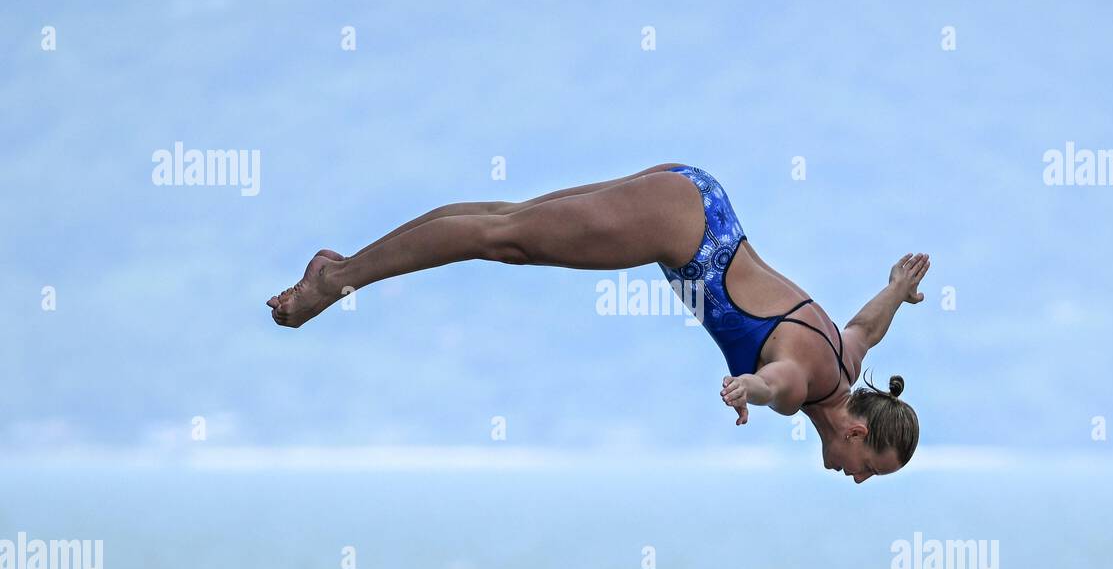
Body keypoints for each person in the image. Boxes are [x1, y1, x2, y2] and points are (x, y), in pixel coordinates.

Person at [268, 163, 927, 482]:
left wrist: (897, 290)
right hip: (684, 231)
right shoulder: (805, 386)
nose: (859, 476)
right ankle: (333, 282)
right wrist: (745, 390)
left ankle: (341, 269)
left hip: (696, 205)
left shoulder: (846, 362)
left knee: (507, 224)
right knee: (507, 239)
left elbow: (867, 326)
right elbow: (775, 380)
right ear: (856, 426)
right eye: (870, 463)